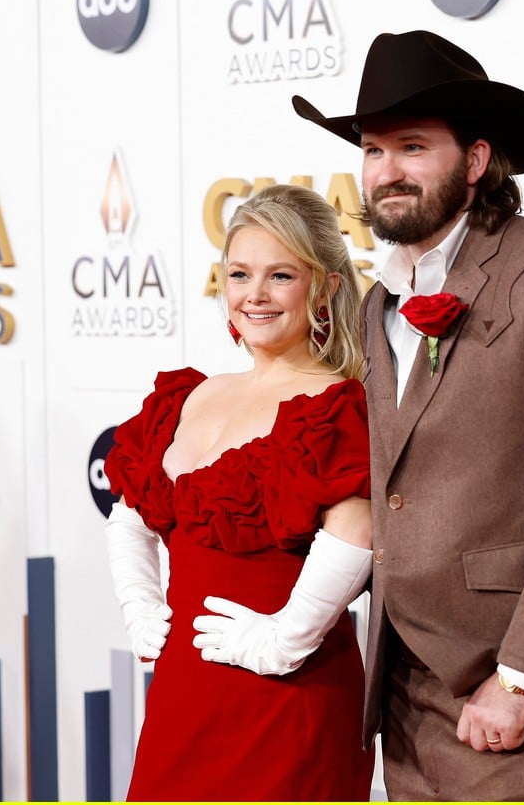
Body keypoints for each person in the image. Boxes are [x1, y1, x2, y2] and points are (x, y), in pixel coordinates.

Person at [292, 30, 524, 800]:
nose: (387, 171)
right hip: (406, 703)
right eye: (373, 149)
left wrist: (522, 678)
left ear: (477, 160)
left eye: (413, 146)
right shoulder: (377, 299)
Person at [102, 184, 374, 800]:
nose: (255, 295)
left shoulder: (339, 406)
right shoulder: (189, 395)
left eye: (281, 275)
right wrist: (138, 603)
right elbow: (130, 515)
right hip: (184, 695)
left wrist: (284, 639)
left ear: (326, 286)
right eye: (239, 274)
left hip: (289, 699)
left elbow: (357, 535)